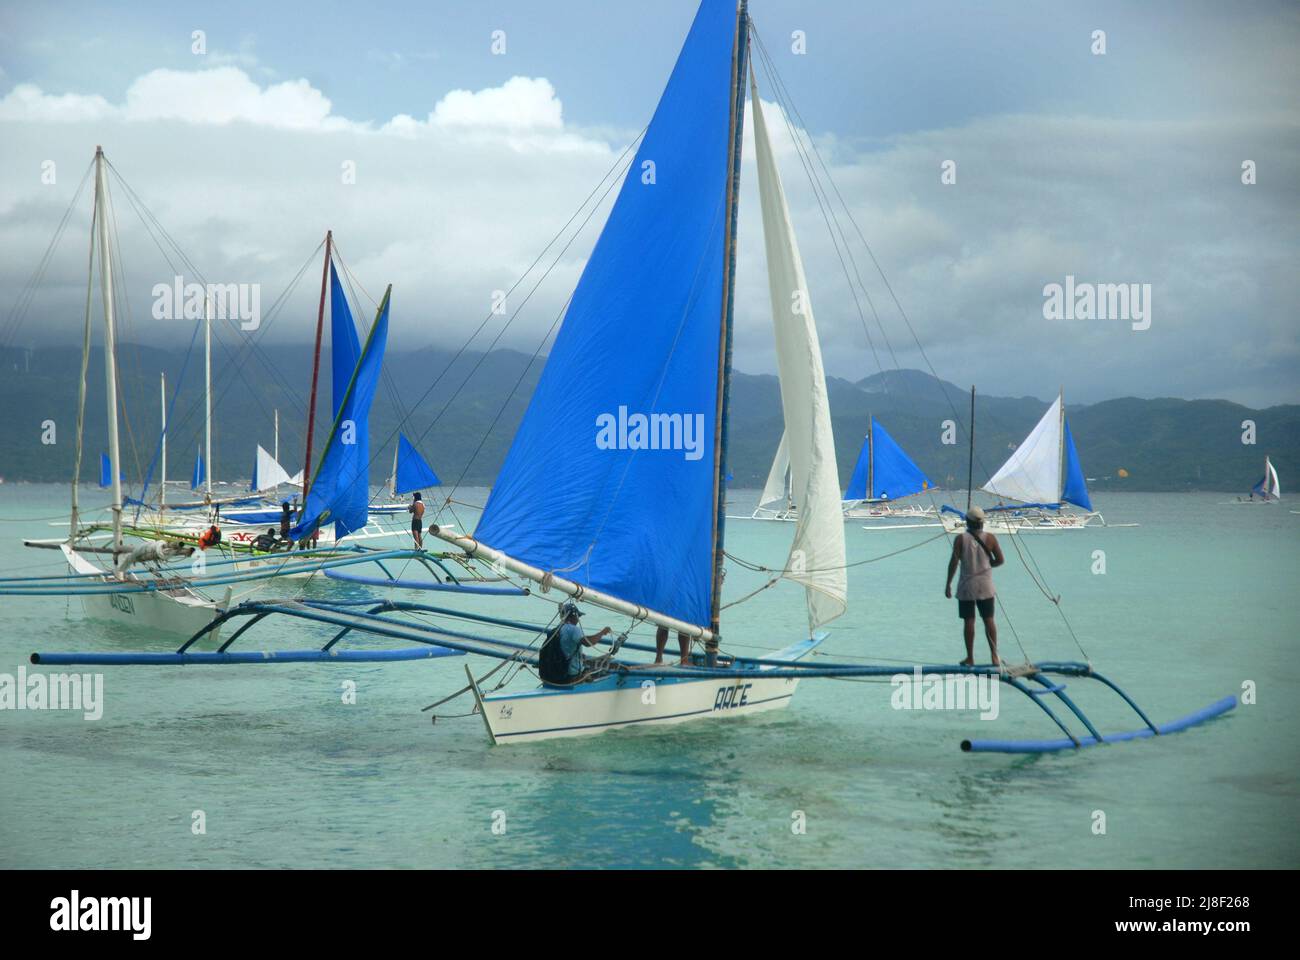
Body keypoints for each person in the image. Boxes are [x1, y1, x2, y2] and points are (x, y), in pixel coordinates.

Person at [944, 505, 1004, 666]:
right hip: (985, 586)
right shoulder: (990, 538)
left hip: (966, 586)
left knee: (969, 621)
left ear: (968, 522)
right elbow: (1000, 560)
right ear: (982, 523)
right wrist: (989, 564)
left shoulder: (960, 539)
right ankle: (994, 656)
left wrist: (948, 584)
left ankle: (970, 657)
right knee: (989, 620)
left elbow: (954, 563)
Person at [556, 601, 611, 681]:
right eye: (578, 616)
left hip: (560, 670)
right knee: (603, 672)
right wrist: (602, 633)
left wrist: (579, 654)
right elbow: (588, 643)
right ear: (573, 616)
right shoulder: (573, 629)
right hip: (572, 673)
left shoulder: (560, 628)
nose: (578, 619)